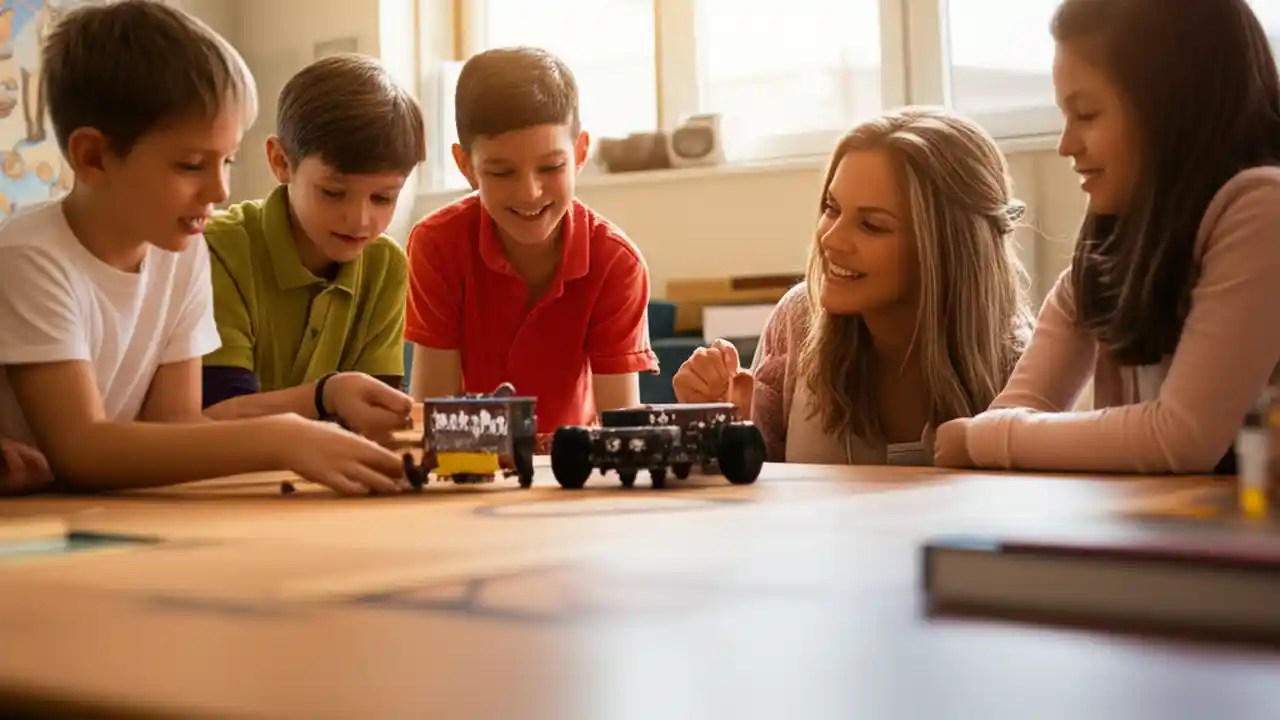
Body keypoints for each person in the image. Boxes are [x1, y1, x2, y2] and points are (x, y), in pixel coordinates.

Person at [0, 0, 405, 495]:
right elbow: (82, 449)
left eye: (227, 161)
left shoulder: (181, 251)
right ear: (94, 157)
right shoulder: (30, 258)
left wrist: (307, 426)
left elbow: (175, 425)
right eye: (191, 165)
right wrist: (282, 437)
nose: (220, 190)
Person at [935, 0, 1280, 474]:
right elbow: (1016, 409)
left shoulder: (1263, 209)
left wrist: (984, 438)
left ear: (1172, 109)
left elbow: (1182, 437)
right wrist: (988, 436)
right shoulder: (1112, 242)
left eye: (1087, 114)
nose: (1066, 145)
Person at [674, 107, 1033, 464]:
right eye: (832, 208)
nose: (830, 239)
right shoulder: (798, 320)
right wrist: (715, 422)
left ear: (948, 247)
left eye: (872, 225)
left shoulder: (1025, 365)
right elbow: (751, 474)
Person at [405, 47, 658, 435]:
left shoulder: (616, 262)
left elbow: (621, 433)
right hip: (469, 459)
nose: (529, 192)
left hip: (574, 462)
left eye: (551, 167)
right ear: (466, 166)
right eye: (502, 172)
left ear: (580, 153)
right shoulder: (436, 245)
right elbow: (432, 418)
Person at [202, 54, 425, 446]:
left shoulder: (386, 264)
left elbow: (373, 422)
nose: (359, 220)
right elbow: (213, 416)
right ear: (281, 162)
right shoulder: (218, 249)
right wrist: (326, 396)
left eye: (383, 198)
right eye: (333, 192)